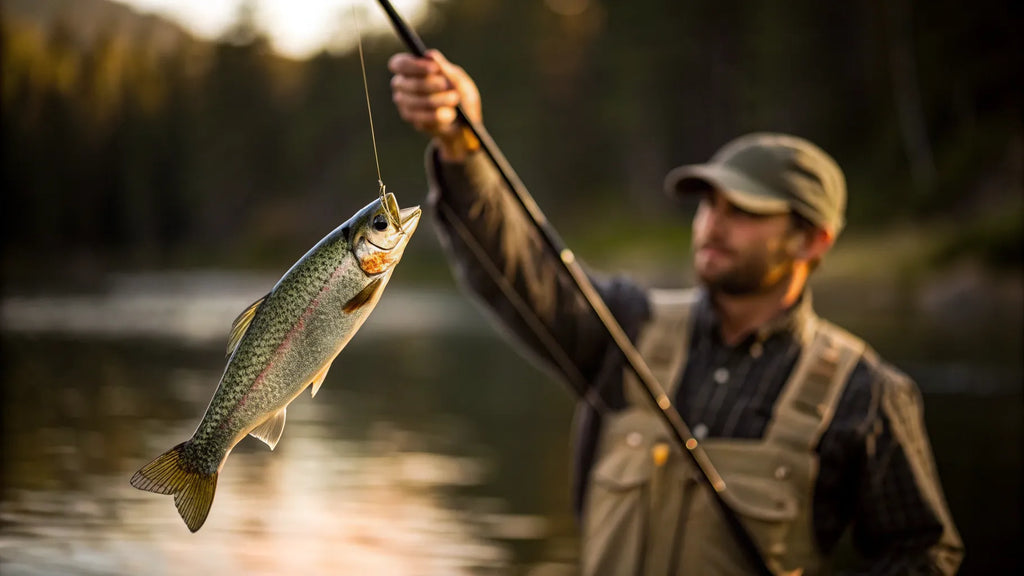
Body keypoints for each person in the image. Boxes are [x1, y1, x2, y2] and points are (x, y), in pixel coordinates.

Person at [388, 50, 964, 575]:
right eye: (708, 204)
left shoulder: (867, 395)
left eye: (743, 210)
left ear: (811, 242)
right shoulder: (626, 326)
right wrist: (462, 147)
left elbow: (922, 554)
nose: (712, 223)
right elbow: (517, 271)